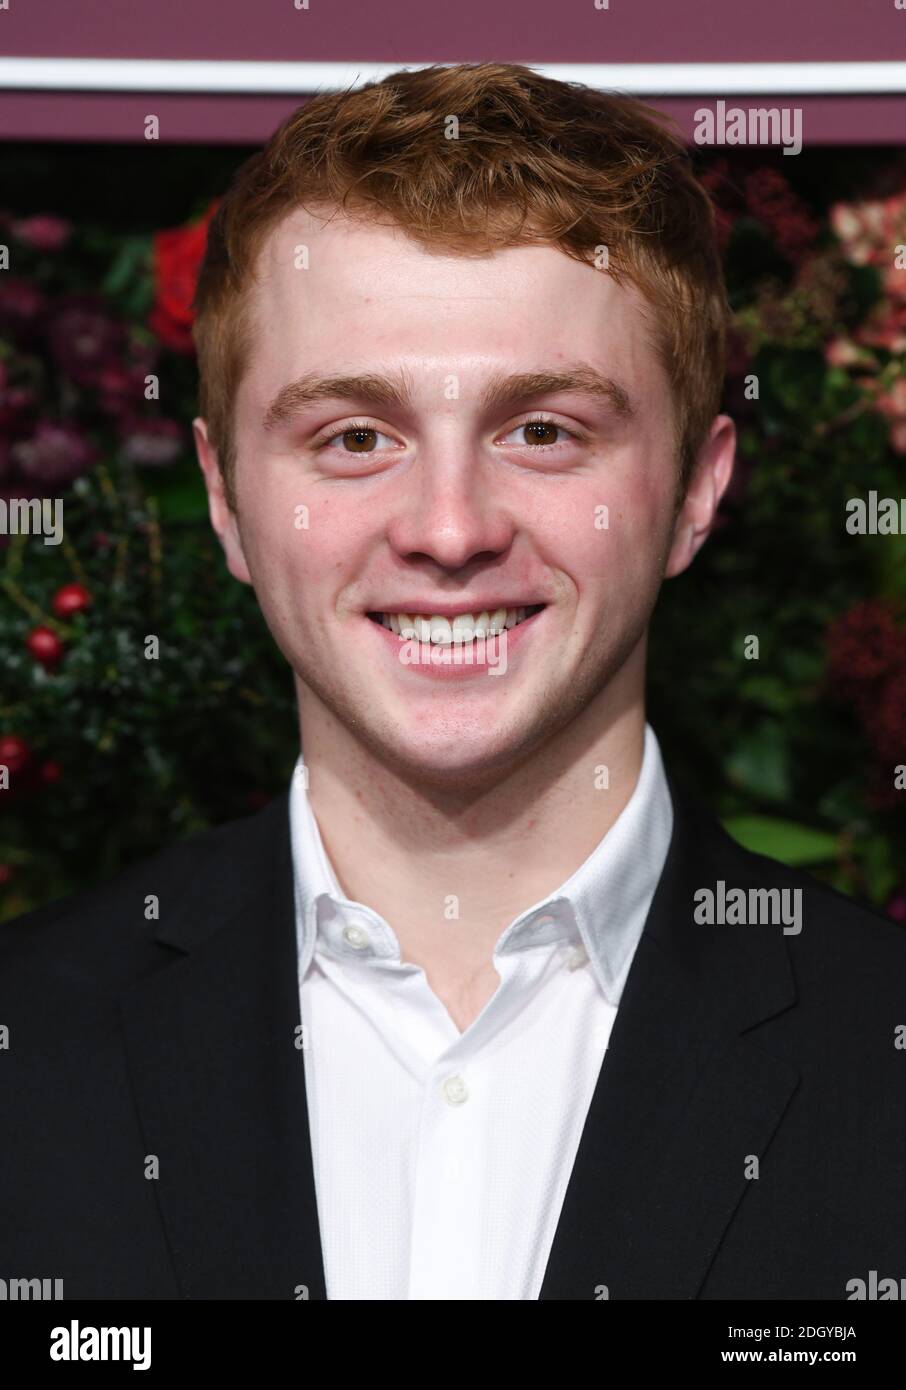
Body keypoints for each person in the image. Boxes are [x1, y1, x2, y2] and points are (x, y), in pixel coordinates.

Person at [2, 62, 904, 1302]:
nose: (448, 527)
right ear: (223, 498)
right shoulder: (27, 1047)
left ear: (698, 487)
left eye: (543, 429)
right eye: (354, 437)